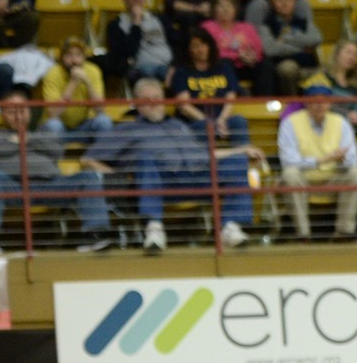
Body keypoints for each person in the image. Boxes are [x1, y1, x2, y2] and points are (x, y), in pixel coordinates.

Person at [81, 77, 260, 251]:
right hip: (161, 183)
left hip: (198, 177)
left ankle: (230, 227)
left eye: (157, 98)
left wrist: (240, 150)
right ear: (137, 103)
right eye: (147, 99)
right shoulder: (126, 129)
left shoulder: (179, 125)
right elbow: (87, 160)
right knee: (145, 159)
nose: (153, 103)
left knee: (237, 161)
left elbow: (205, 154)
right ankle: (154, 228)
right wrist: (117, 176)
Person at [0, 90, 113, 253]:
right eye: (12, 112)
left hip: (52, 184)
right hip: (15, 187)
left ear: (29, 112)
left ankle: (97, 235)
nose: (18, 116)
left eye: (22, 110)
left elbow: (56, 150)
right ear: (2, 115)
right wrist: (30, 144)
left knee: (88, 177)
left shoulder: (46, 131)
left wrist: (20, 142)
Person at [277, 87, 357, 241]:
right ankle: (303, 235)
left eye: (323, 100)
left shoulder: (341, 122)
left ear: (330, 103)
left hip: (333, 179)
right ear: (306, 102)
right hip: (303, 179)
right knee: (289, 174)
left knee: (356, 174)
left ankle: (344, 232)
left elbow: (352, 159)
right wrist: (321, 160)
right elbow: (288, 161)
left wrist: (342, 160)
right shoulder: (290, 123)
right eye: (314, 100)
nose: (319, 104)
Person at [168, 26, 251, 146]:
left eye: (203, 44)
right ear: (188, 49)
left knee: (239, 121)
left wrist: (221, 120)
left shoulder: (223, 67)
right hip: (196, 121)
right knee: (203, 126)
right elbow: (184, 107)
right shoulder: (182, 72)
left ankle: (242, 158)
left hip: (221, 119)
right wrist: (209, 122)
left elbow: (230, 98)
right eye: (195, 46)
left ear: (210, 46)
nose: (201, 49)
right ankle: (205, 162)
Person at [41, 38, 115, 144]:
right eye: (69, 55)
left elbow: (100, 110)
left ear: (84, 57)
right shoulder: (52, 73)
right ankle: (53, 160)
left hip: (83, 127)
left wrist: (87, 83)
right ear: (61, 58)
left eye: (78, 55)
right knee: (53, 125)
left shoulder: (93, 70)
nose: (74, 60)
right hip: (60, 127)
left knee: (104, 121)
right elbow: (54, 114)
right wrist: (73, 82)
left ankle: (99, 159)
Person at [106, 0, 173, 83]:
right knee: (149, 71)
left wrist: (175, 66)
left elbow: (175, 42)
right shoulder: (116, 25)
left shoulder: (160, 20)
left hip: (167, 65)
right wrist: (136, 23)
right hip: (141, 68)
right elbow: (127, 52)